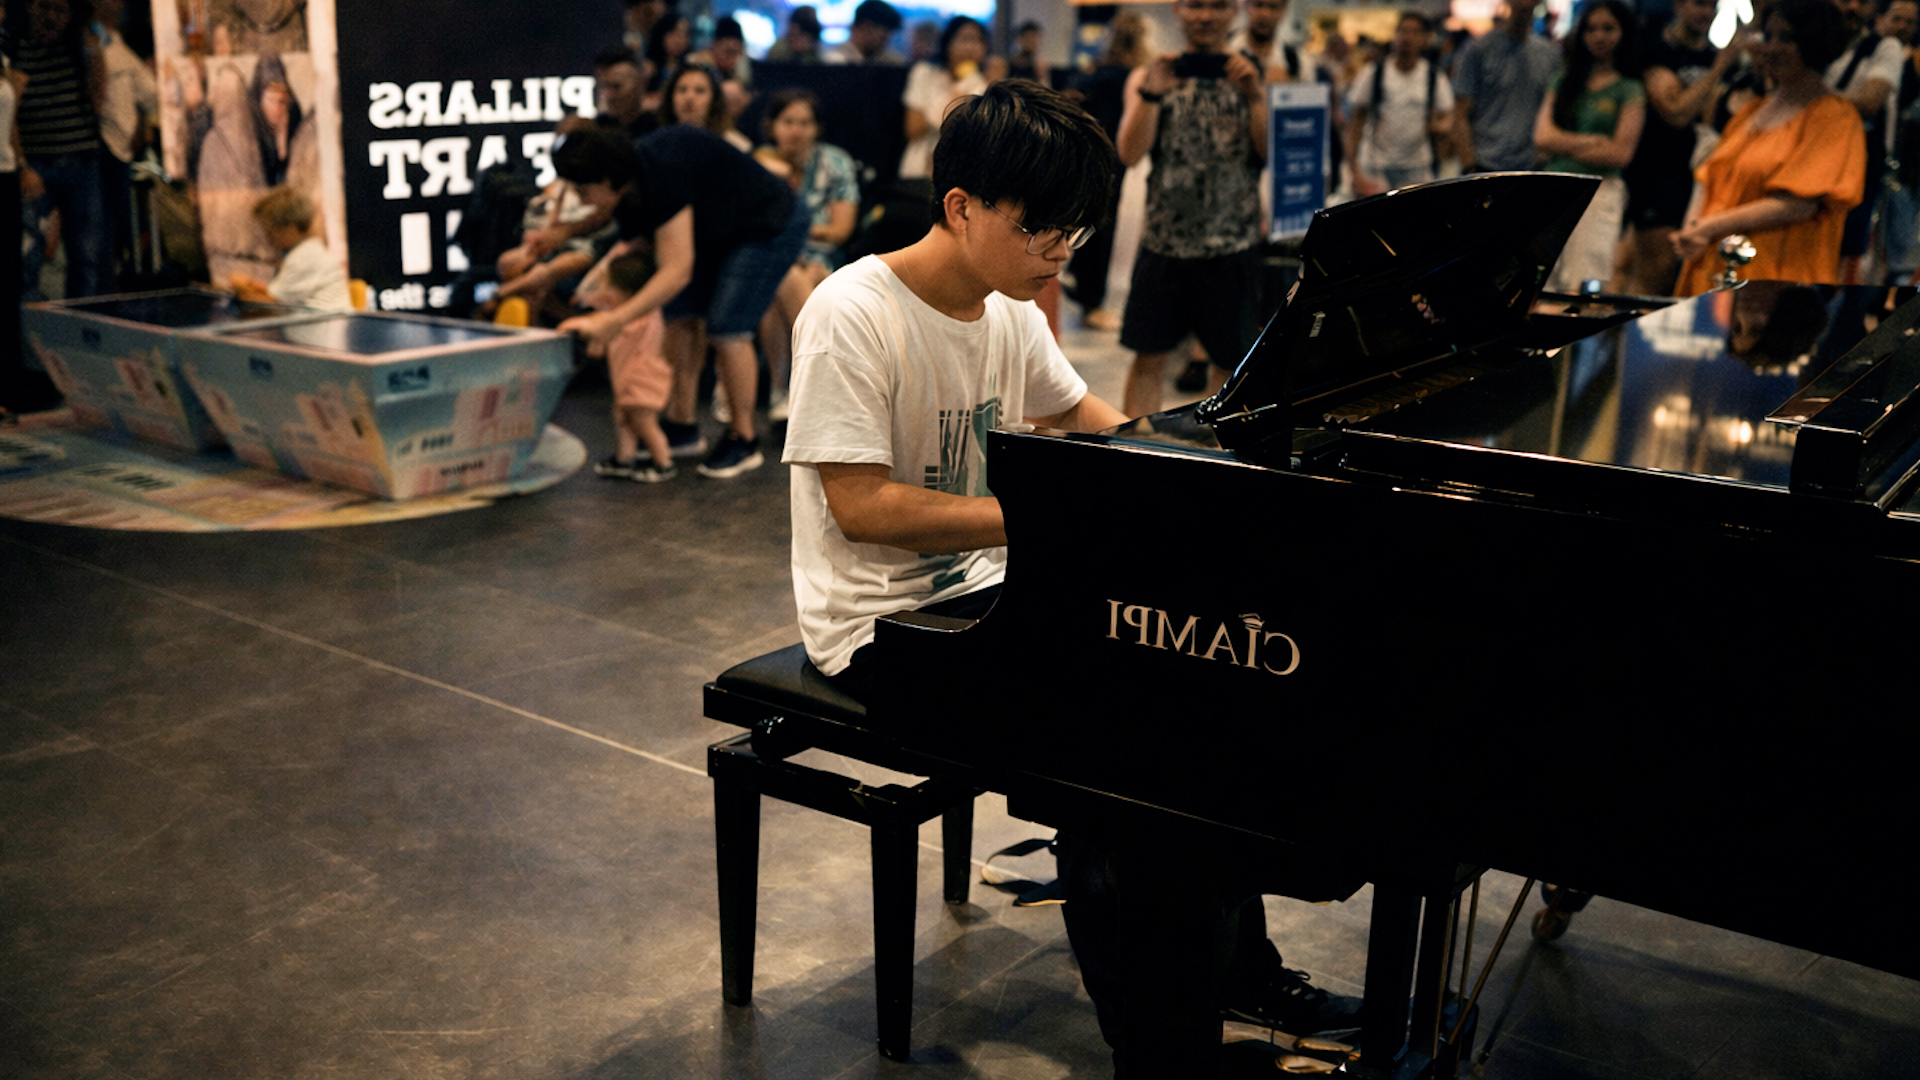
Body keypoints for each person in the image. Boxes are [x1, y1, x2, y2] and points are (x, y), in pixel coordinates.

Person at [554, 125, 809, 478]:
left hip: (768, 221)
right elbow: (632, 240)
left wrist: (614, 320)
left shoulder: (661, 174)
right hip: (718, 230)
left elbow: (676, 271)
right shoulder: (630, 183)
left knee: (727, 326)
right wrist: (558, 240)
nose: (579, 199)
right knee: (680, 313)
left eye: (582, 189)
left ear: (609, 179)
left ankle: (744, 438)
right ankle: (681, 427)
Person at [1115, 0, 1268, 418]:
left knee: (1231, 367)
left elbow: (1270, 151)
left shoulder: (1257, 75)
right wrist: (1151, 93)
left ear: (1234, 11)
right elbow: (1128, 153)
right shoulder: (1150, 75)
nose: (1205, 16)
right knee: (1148, 359)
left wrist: (1255, 96)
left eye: (1217, 6)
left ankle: (1221, 452)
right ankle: (1136, 448)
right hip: (1164, 243)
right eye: (1195, 5)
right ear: (1178, 9)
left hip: (1231, 244)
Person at [1674, 0, 1865, 293]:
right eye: (1769, 36)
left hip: (1772, 277)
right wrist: (1693, 229)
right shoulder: (1750, 113)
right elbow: (1708, 177)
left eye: (1786, 38)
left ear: (1813, 42)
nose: (1772, 48)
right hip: (1713, 268)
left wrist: (1708, 228)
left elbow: (1798, 204)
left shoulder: (1834, 116)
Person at [1616, 0, 1734, 296]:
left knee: (1672, 272)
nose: (1706, 12)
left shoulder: (1712, 55)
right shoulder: (1657, 52)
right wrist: (1719, 69)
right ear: (1679, 5)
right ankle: (1633, 326)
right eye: (1699, 4)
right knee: (1656, 270)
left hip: (1695, 178)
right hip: (1656, 174)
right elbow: (1676, 112)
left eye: (1712, 6)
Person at [753, 88, 859, 415]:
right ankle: (816, 383)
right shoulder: (760, 162)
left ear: (816, 128)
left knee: (790, 279)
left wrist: (793, 234)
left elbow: (839, 231)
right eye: (788, 122)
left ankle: (783, 391)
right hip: (770, 256)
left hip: (825, 259)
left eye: (805, 123)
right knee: (783, 275)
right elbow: (751, 225)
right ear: (772, 126)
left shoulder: (835, 162)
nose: (796, 131)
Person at [1533, 0, 1644, 293]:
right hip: (1554, 187)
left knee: (1583, 282)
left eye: (1608, 28)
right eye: (1591, 29)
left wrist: (1562, 143)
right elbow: (1542, 137)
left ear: (1623, 32)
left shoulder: (1629, 88)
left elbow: (1620, 153)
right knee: (1545, 280)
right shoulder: (1564, 80)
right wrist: (1593, 140)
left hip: (1600, 191)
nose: (1599, 36)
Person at [14, 0, 109, 300]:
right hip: (37, 163)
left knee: (86, 256)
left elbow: (97, 99)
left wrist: (94, 53)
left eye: (60, 10)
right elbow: (9, 114)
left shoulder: (76, 48)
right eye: (46, 8)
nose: (52, 17)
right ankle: (29, 320)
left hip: (80, 160)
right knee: (28, 253)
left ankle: (82, 320)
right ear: (32, 7)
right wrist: (22, 165)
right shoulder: (18, 47)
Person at [1066, 11, 1151, 331]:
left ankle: (1081, 285)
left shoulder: (1096, 72)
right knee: (1101, 227)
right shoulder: (1132, 77)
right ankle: (1091, 301)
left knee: (1091, 222)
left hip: (1087, 156)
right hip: (1111, 159)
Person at [1828, 0, 1907, 278]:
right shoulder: (1822, 50)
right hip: (1818, 156)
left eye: (1861, 2)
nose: (1852, 7)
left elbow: (1871, 101)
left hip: (1859, 161)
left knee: (1848, 247)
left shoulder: (1884, 47)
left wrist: (1812, 98)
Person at [587, 250, 677, 483]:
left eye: (609, 286)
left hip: (642, 378)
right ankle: (624, 458)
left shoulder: (641, 316)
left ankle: (663, 461)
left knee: (643, 421)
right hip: (627, 378)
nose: (603, 291)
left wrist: (594, 329)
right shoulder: (624, 314)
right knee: (623, 416)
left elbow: (612, 331)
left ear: (626, 291)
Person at [1344, 11, 1454, 196]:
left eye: (1414, 32)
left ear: (1424, 39)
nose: (1406, 37)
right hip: (1376, 168)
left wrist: (1440, 127)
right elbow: (1355, 125)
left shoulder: (1434, 78)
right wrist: (1354, 172)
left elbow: (1447, 118)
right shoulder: (1374, 74)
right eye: (1402, 31)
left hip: (1417, 169)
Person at [1451, 0, 1558, 174]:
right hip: (1485, 166)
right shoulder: (1478, 50)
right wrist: (1469, 167)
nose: (1524, 3)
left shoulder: (1549, 54)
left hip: (1532, 168)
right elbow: (1460, 114)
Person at [899, 16, 998, 180]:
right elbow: (913, 128)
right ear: (947, 42)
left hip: (959, 173)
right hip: (918, 171)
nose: (970, 47)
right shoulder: (924, 73)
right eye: (964, 39)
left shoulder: (983, 85)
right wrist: (954, 101)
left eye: (978, 40)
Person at [227, 185, 350, 311]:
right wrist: (250, 284)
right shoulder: (307, 250)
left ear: (290, 228)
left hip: (326, 322)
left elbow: (273, 303)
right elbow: (278, 292)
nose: (267, 237)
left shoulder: (304, 257)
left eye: (271, 230)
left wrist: (242, 288)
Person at [659, 64, 747, 152]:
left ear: (715, 99)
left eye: (700, 90)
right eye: (682, 90)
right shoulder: (657, 143)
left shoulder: (733, 146)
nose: (689, 97)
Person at [1230, 0, 1303, 83]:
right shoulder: (1227, 48)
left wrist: (1288, 85)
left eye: (1273, 7)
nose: (1265, 14)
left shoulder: (1294, 60)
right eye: (1258, 5)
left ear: (1284, 11)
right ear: (1245, 6)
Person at [595, 46, 658, 142]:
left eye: (617, 86)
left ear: (641, 83)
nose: (609, 95)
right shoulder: (596, 130)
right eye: (605, 86)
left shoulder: (660, 130)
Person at [825, 0, 904, 65]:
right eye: (883, 35)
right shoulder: (836, 61)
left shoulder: (891, 61)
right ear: (864, 27)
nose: (886, 40)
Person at [644, 11, 693, 96]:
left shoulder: (689, 65)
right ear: (662, 33)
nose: (681, 40)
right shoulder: (648, 66)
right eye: (675, 33)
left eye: (685, 34)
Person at [1008, 19, 1048, 83]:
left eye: (1034, 41)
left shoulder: (1038, 66)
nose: (1031, 43)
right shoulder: (1008, 64)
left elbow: (1044, 87)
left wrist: (1041, 76)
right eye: (1028, 39)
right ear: (1020, 39)